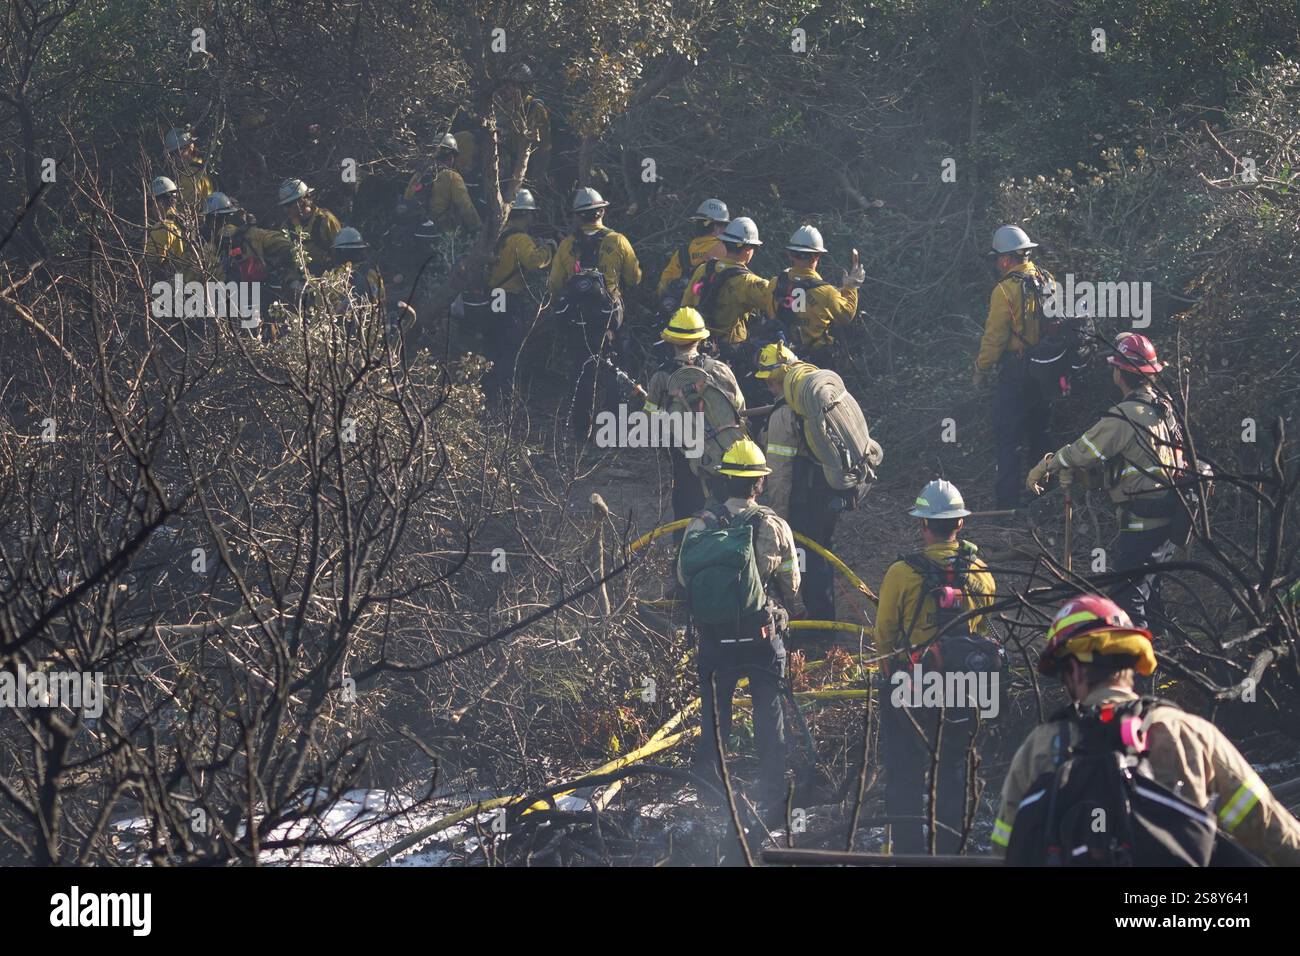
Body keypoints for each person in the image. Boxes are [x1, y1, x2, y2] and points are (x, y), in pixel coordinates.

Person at [994, 594, 1300, 865]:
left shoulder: (1040, 746)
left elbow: (1008, 847)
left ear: (1073, 669)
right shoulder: (1188, 733)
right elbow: (1270, 827)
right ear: (1134, 659)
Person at [1027, 333, 1184, 632]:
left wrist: (1046, 466)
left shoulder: (1124, 417)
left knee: (1128, 596)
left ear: (1119, 373)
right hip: (1169, 518)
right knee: (1150, 590)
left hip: (1142, 522)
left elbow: (1082, 452)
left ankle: (1141, 667)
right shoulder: (1164, 407)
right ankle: (1169, 653)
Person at [873, 480, 998, 854]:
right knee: (954, 768)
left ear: (923, 525)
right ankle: (949, 852)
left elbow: (885, 633)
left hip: (911, 684)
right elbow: (981, 627)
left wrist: (891, 676)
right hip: (965, 686)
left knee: (905, 772)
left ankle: (909, 854)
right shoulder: (981, 571)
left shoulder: (901, 572)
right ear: (960, 524)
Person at [677, 439, 800, 815]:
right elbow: (791, 583)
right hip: (761, 637)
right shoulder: (773, 525)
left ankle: (709, 794)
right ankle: (773, 796)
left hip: (715, 639)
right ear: (758, 484)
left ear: (724, 480)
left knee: (715, 716)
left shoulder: (701, 523)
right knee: (768, 713)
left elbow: (684, 576)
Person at [757, 342, 881, 623]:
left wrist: (779, 516)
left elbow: (779, 473)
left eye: (768, 382)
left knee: (807, 558)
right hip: (831, 491)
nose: (768, 388)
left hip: (806, 499)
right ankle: (823, 614)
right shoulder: (811, 402)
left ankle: (818, 623)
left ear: (776, 380)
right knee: (822, 552)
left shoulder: (783, 415)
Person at [547, 187, 641, 437]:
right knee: (615, 371)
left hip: (578, 320)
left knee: (580, 372)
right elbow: (634, 278)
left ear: (578, 216)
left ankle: (581, 431)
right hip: (610, 321)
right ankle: (614, 433)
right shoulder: (618, 240)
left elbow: (554, 284)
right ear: (602, 211)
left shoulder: (567, 245)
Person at [974, 225, 1054, 510]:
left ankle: (1008, 505)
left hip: (1016, 371)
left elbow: (994, 337)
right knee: (1040, 435)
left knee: (1008, 439)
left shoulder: (1004, 290)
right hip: (1046, 370)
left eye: (998, 258)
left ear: (1006, 259)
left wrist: (981, 369)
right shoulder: (1047, 279)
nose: (997, 264)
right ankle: (1042, 500)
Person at [643, 307, 746, 526]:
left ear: (671, 341)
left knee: (686, 512)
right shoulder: (719, 369)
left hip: (684, 455)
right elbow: (739, 408)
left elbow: (650, 422)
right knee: (724, 511)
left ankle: (685, 549)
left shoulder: (662, 377)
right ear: (700, 340)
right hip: (723, 450)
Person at [480, 187, 553, 398]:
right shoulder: (520, 239)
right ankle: (503, 396)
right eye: (531, 213)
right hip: (508, 298)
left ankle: (486, 391)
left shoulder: (499, 234)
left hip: (493, 295)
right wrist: (549, 249)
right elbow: (534, 262)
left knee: (492, 343)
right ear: (525, 214)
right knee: (509, 346)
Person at [772, 225, 865, 369]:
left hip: (780, 360)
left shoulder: (776, 283)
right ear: (817, 256)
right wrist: (851, 287)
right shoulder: (826, 292)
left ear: (790, 254)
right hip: (816, 363)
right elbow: (846, 315)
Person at [655, 198, 730, 304]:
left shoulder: (682, 253)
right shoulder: (726, 250)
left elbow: (662, 286)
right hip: (713, 314)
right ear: (716, 227)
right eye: (724, 225)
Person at [276, 178, 342, 275]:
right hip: (299, 281)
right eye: (287, 205)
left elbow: (341, 252)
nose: (288, 209)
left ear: (304, 199)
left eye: (289, 205)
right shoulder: (286, 227)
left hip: (327, 278)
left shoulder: (326, 220)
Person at [145, 176, 199, 282]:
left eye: (150, 203)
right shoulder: (186, 223)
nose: (149, 209)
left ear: (159, 203)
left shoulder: (163, 227)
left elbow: (151, 262)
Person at [163, 128, 217, 207]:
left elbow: (186, 207)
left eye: (176, 153)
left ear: (190, 149)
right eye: (171, 154)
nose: (172, 158)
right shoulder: (200, 169)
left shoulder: (189, 175)